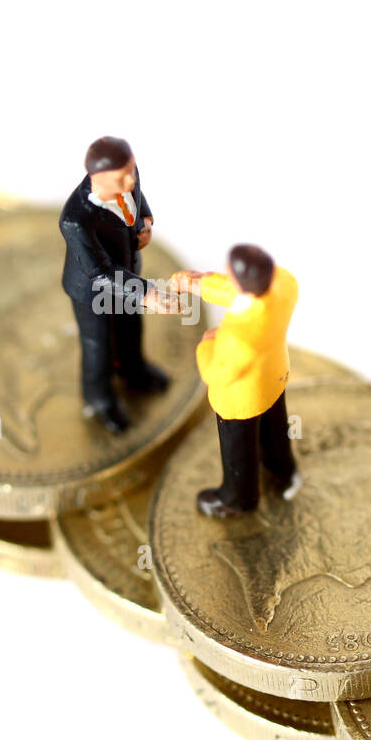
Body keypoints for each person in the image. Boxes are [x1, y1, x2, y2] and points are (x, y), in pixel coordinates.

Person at [172, 246, 300, 516]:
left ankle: (238, 499)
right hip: (273, 378)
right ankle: (284, 474)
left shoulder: (238, 335)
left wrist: (207, 343)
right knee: (276, 431)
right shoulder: (285, 285)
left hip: (240, 399)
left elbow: (215, 373)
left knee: (238, 450)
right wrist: (199, 283)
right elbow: (243, 295)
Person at [60, 136, 172, 434]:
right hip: (92, 291)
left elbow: (138, 200)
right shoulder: (75, 220)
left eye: (132, 170)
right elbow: (99, 272)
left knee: (131, 327)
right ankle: (99, 399)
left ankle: (134, 371)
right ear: (96, 176)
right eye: (121, 175)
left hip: (126, 276)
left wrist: (145, 222)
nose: (130, 179)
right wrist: (146, 291)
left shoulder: (129, 179)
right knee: (98, 345)